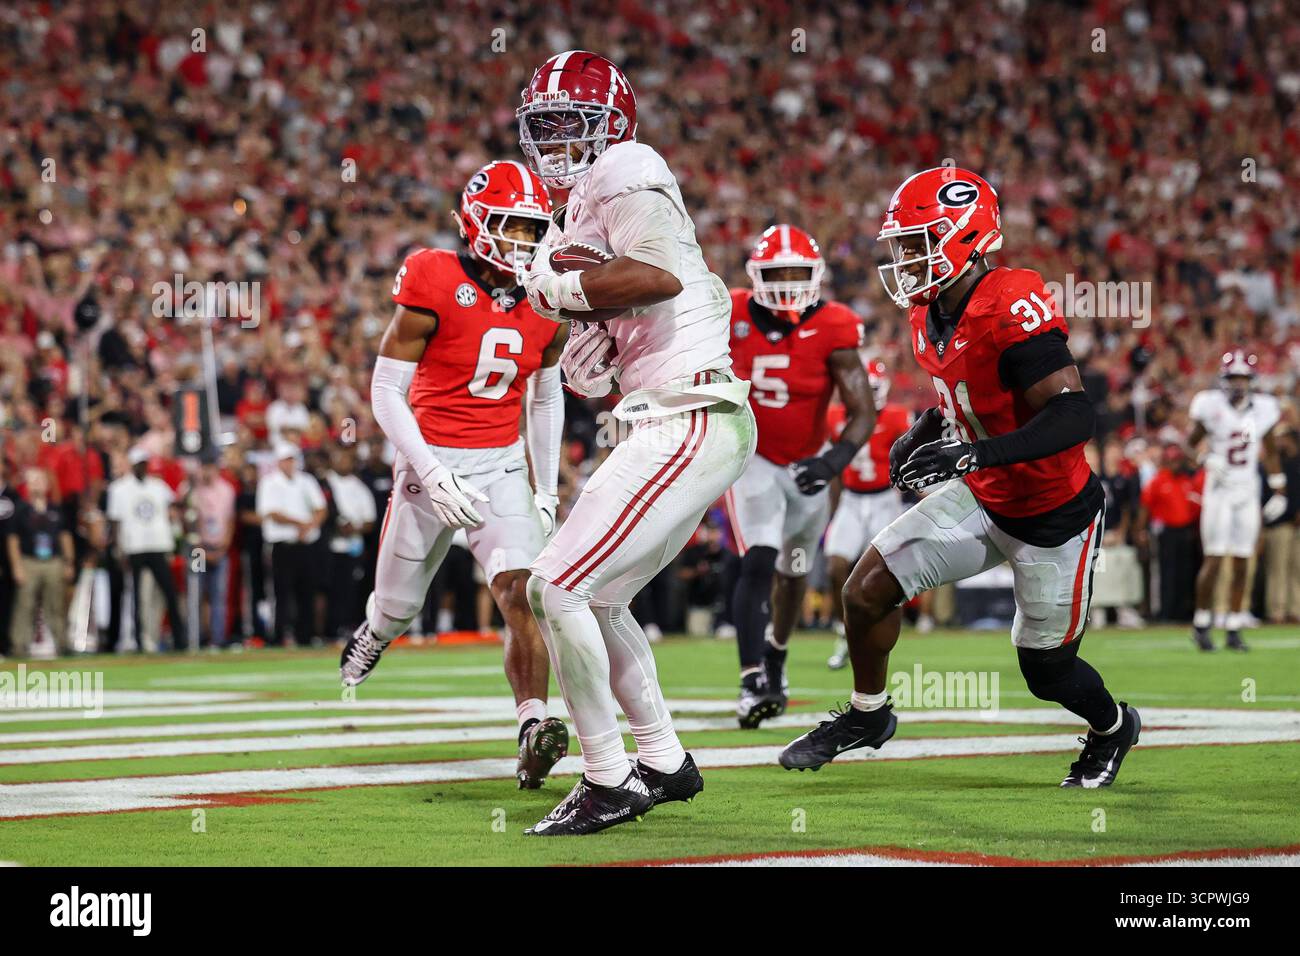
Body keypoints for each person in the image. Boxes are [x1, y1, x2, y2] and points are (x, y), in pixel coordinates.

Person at [779, 167, 1140, 789]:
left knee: (1046, 670)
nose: (906, 258)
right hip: (986, 496)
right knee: (865, 588)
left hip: (1055, 513)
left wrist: (976, 456)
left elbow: (1075, 413)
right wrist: (923, 432)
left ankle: (1113, 726)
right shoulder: (928, 314)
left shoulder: (1009, 300)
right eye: (904, 243)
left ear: (965, 238)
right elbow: (968, 399)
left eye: (920, 240)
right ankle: (868, 716)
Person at [518, 51, 756, 834]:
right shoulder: (576, 208)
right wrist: (587, 333)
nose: (554, 141)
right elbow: (593, 369)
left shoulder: (626, 165)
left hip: (688, 412)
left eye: (569, 123)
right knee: (603, 595)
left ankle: (608, 777)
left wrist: (562, 291)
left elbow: (657, 275)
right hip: (670, 413)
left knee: (554, 587)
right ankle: (659, 760)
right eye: (541, 127)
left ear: (610, 126)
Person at [339, 160, 572, 791]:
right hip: (429, 460)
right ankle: (373, 634)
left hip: (499, 463)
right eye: (511, 228)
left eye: (532, 230)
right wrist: (431, 470)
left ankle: (532, 726)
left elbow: (546, 398)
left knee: (520, 592)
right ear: (474, 222)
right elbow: (387, 392)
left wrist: (545, 490)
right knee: (398, 606)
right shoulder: (433, 276)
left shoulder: (549, 298)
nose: (523, 244)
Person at [722, 225, 875, 726]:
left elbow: (862, 410)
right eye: (776, 272)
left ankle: (776, 656)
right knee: (758, 560)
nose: (787, 282)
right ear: (755, 275)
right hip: (754, 457)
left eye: (796, 273)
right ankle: (751, 681)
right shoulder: (731, 312)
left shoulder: (835, 325)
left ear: (817, 276)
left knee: (792, 574)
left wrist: (832, 463)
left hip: (810, 463)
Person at [1187, 351, 1286, 650]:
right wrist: (1205, 457)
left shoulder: (1264, 410)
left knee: (1243, 559)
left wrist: (1279, 488)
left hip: (1248, 490)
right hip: (1219, 490)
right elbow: (1188, 445)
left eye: (1242, 378)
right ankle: (1202, 622)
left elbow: (1269, 451)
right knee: (1215, 558)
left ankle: (1232, 625)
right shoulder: (1210, 406)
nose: (1238, 384)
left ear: (1251, 381)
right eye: (1233, 378)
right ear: (1224, 380)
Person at [825, 359, 913, 669]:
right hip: (851, 500)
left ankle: (879, 638)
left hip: (884, 500)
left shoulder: (897, 417)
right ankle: (843, 632)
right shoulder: (835, 415)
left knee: (883, 575)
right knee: (836, 566)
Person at [106, 448, 188, 652]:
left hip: (158, 545)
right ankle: (141, 640)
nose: (142, 467)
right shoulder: (119, 489)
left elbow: (174, 506)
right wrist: (119, 549)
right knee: (137, 596)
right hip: (135, 547)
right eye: (138, 464)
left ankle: (180, 640)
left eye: (144, 463)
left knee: (170, 592)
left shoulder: (158, 486)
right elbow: (115, 523)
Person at [257, 442, 326, 646]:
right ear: (278, 462)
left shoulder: (306, 481)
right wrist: (302, 524)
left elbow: (321, 508)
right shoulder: (269, 482)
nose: (289, 463)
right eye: (286, 459)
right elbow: (272, 512)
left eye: (292, 459)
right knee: (282, 592)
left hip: (305, 544)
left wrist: (310, 526)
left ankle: (305, 636)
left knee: (306, 591)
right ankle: (279, 636)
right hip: (282, 545)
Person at [6, 468, 75, 657]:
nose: (37, 484)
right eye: (33, 480)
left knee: (56, 604)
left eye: (40, 480)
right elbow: (13, 540)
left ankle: (62, 643)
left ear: (47, 484)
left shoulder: (55, 509)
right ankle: (19, 646)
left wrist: (69, 562)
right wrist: (17, 566)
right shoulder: (21, 510)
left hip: (53, 561)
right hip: (29, 561)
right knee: (25, 605)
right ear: (27, 485)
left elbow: (65, 536)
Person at [323, 445, 375, 639]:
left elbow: (370, 521)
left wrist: (354, 528)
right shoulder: (325, 482)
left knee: (349, 591)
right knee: (327, 591)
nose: (343, 462)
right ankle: (326, 629)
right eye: (339, 458)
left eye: (346, 459)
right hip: (327, 546)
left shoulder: (359, 487)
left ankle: (345, 627)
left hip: (352, 548)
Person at [190, 453, 236, 648]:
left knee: (219, 594)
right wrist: (199, 547)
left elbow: (230, 520)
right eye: (204, 467)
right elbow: (189, 522)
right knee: (196, 592)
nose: (207, 472)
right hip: (198, 549)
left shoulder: (226, 490)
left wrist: (223, 547)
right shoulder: (193, 490)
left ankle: (217, 639)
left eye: (210, 467)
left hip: (219, 547)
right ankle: (195, 637)